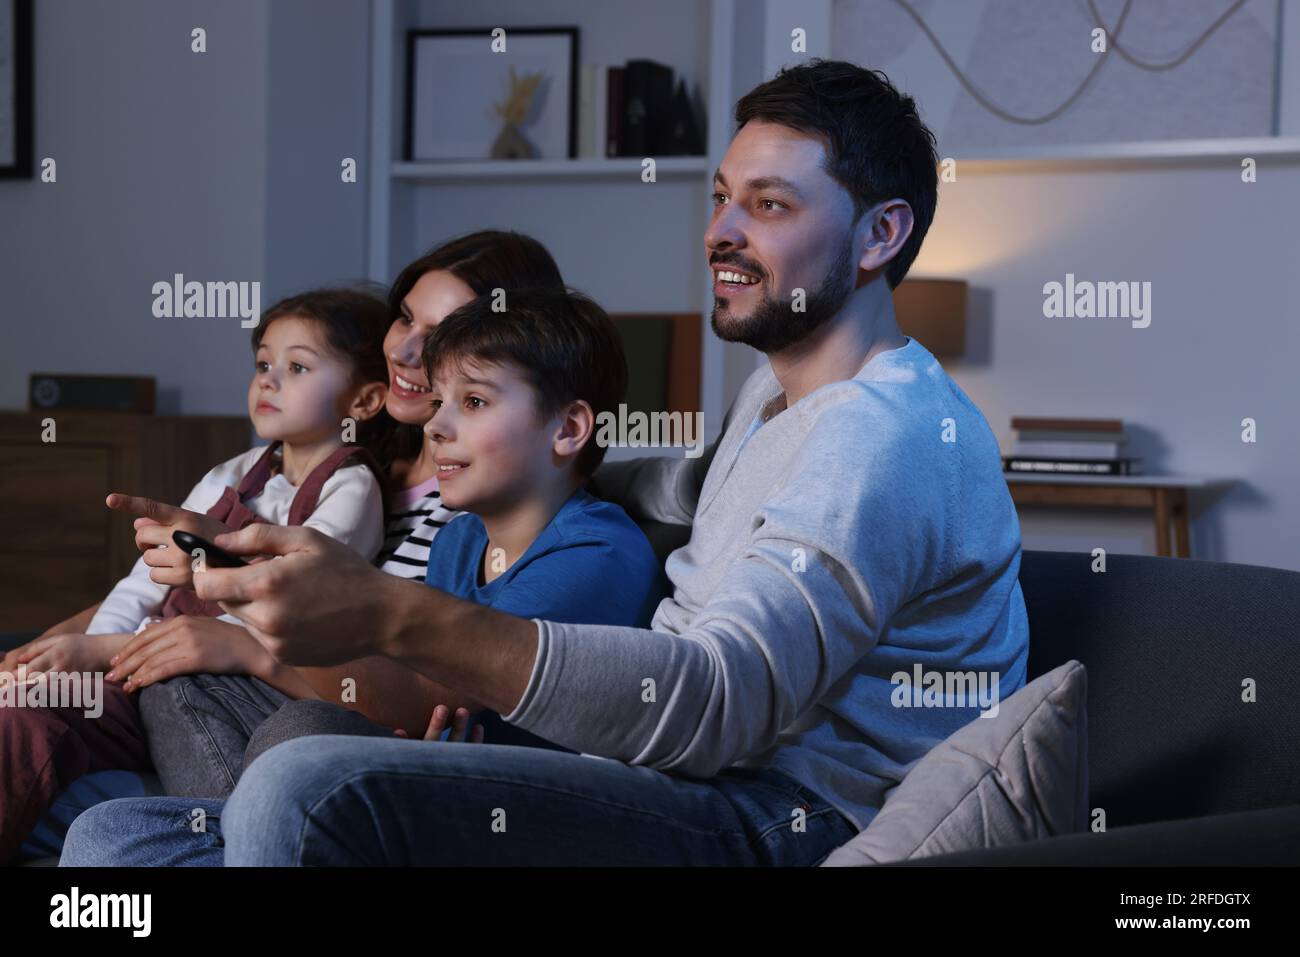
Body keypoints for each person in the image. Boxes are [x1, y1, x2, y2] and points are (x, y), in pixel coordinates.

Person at [62, 59, 1031, 867]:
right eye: (721, 200)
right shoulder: (777, 400)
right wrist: (529, 467)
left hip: (778, 816)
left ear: (881, 234)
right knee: (114, 837)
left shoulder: (884, 435)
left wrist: (386, 611)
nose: (721, 233)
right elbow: (676, 484)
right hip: (667, 786)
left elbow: (725, 699)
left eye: (769, 206)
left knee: (300, 780)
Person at [5, 231, 568, 861]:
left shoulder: (477, 500)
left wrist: (233, 641)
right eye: (405, 317)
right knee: (28, 706)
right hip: (204, 672)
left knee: (149, 774)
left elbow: (446, 668)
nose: (408, 350)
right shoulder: (326, 446)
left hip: (285, 699)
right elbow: (151, 583)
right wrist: (54, 644)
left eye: (441, 331)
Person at [0, 286, 394, 865]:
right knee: (21, 709)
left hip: (229, 681)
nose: (269, 380)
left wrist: (108, 649)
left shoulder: (351, 490)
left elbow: (282, 605)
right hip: (140, 660)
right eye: (263, 364)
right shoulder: (230, 475)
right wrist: (91, 649)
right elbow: (142, 583)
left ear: (364, 400)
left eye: (297, 367)